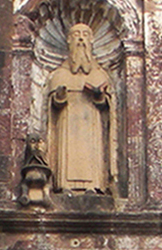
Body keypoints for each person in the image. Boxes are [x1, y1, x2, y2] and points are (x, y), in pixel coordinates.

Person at [47, 21, 113, 193]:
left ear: (91, 40)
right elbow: (53, 104)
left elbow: (107, 105)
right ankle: (64, 186)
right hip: (67, 122)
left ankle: (94, 185)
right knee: (67, 155)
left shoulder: (99, 74)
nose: (81, 40)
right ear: (69, 40)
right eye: (77, 35)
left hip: (91, 122)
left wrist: (99, 95)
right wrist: (60, 96)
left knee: (92, 155)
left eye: (85, 35)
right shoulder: (60, 74)